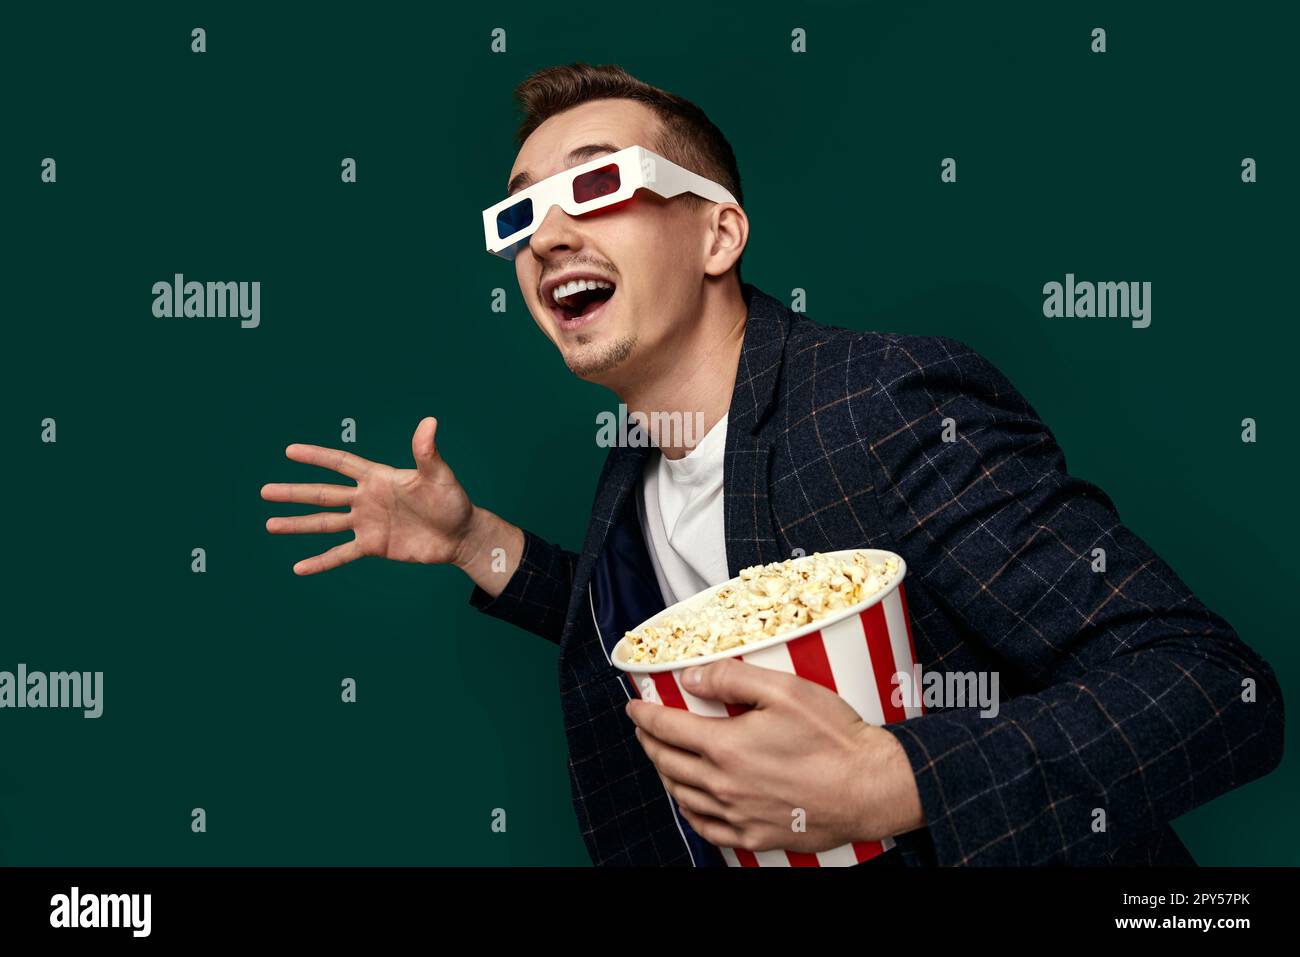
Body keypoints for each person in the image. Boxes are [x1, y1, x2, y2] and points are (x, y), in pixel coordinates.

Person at [261, 63, 1285, 867]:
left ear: (719, 233)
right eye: (521, 213)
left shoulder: (885, 405)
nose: (548, 233)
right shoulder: (635, 461)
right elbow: (681, 625)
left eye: (597, 184)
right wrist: (477, 545)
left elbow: (1210, 689)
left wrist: (894, 781)